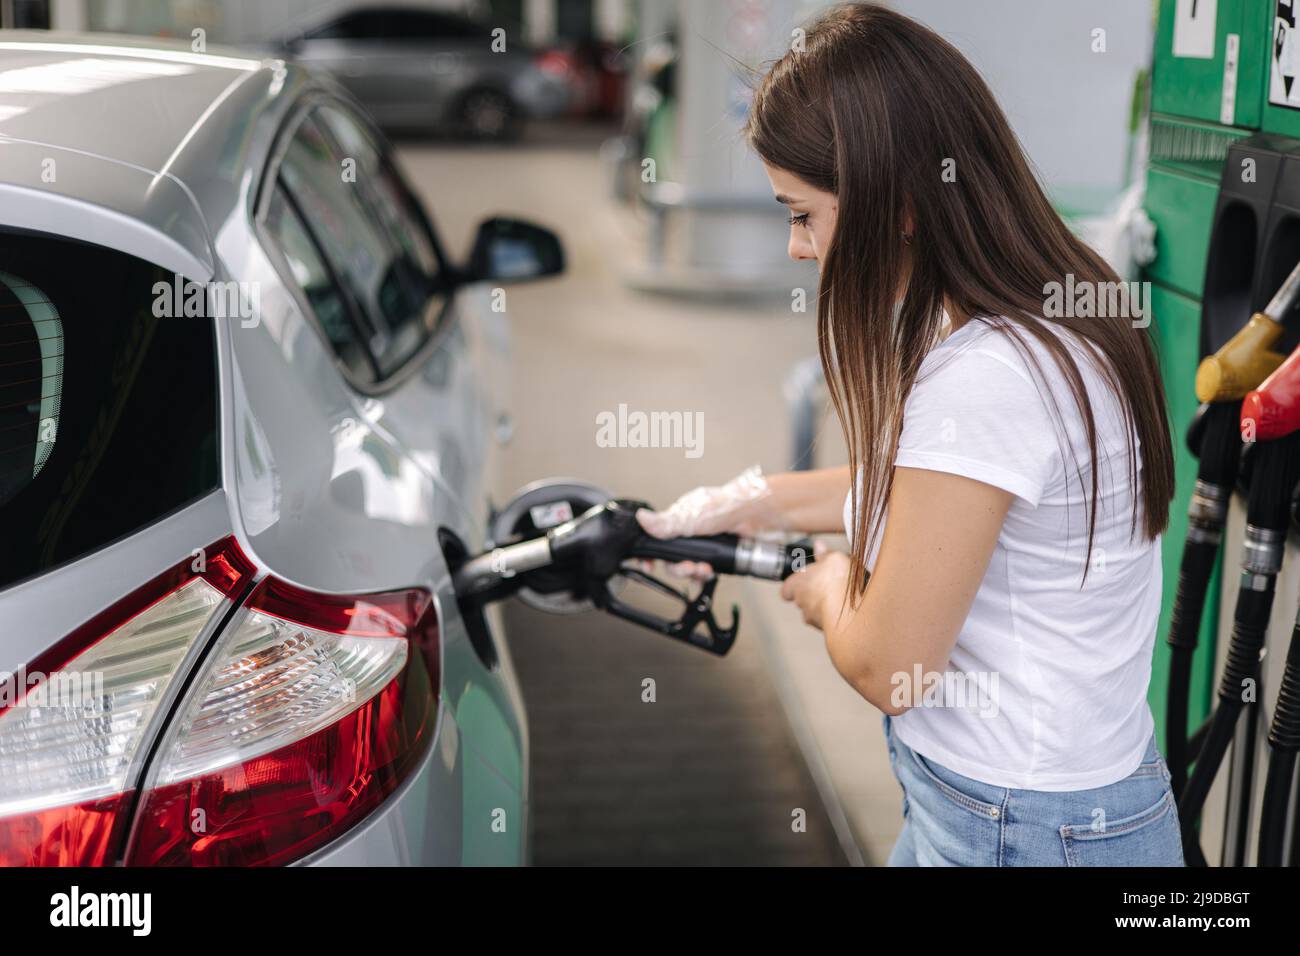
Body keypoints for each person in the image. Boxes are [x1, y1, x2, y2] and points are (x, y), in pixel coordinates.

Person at [636, 3, 1184, 867]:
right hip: (1046, 805)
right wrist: (751, 503)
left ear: (895, 202)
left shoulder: (989, 374)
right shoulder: (1052, 304)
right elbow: (939, 492)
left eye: (801, 213)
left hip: (1020, 828)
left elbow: (891, 666)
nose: (796, 248)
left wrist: (826, 587)